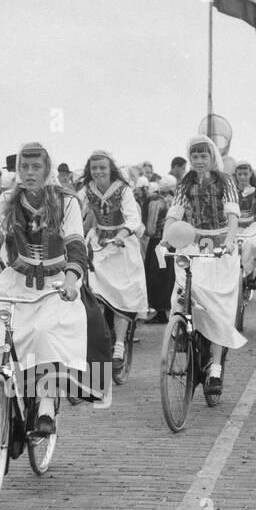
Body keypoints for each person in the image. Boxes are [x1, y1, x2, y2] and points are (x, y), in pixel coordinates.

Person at [0, 141, 111, 434]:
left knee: (45, 334)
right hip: (16, 280)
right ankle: (2, 387)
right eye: (24, 167)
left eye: (36, 167)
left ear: (47, 170)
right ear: (18, 169)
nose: (30, 173)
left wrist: (72, 282)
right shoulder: (7, 200)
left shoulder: (66, 201)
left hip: (56, 282)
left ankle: (47, 404)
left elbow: (75, 244)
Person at [163, 136, 246, 397]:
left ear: (212, 157)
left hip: (220, 245)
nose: (199, 161)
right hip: (193, 243)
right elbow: (175, 213)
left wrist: (231, 241)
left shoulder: (225, 181)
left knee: (218, 307)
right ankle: (184, 331)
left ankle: (216, 368)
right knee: (184, 289)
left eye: (203, 156)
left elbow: (233, 215)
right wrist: (166, 238)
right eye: (194, 156)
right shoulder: (186, 182)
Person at [82, 150, 146, 380]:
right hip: (99, 245)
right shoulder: (87, 190)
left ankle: (119, 345)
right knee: (94, 298)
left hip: (121, 247)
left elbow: (133, 219)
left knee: (123, 296)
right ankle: (96, 347)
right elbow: (75, 211)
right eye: (94, 168)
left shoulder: (123, 189)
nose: (98, 172)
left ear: (110, 170)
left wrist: (121, 233)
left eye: (102, 168)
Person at [143, 173, 176, 322]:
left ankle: (160, 310)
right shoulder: (175, 200)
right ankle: (166, 308)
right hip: (173, 243)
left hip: (158, 243)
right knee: (167, 275)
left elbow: (150, 228)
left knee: (155, 274)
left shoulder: (156, 202)